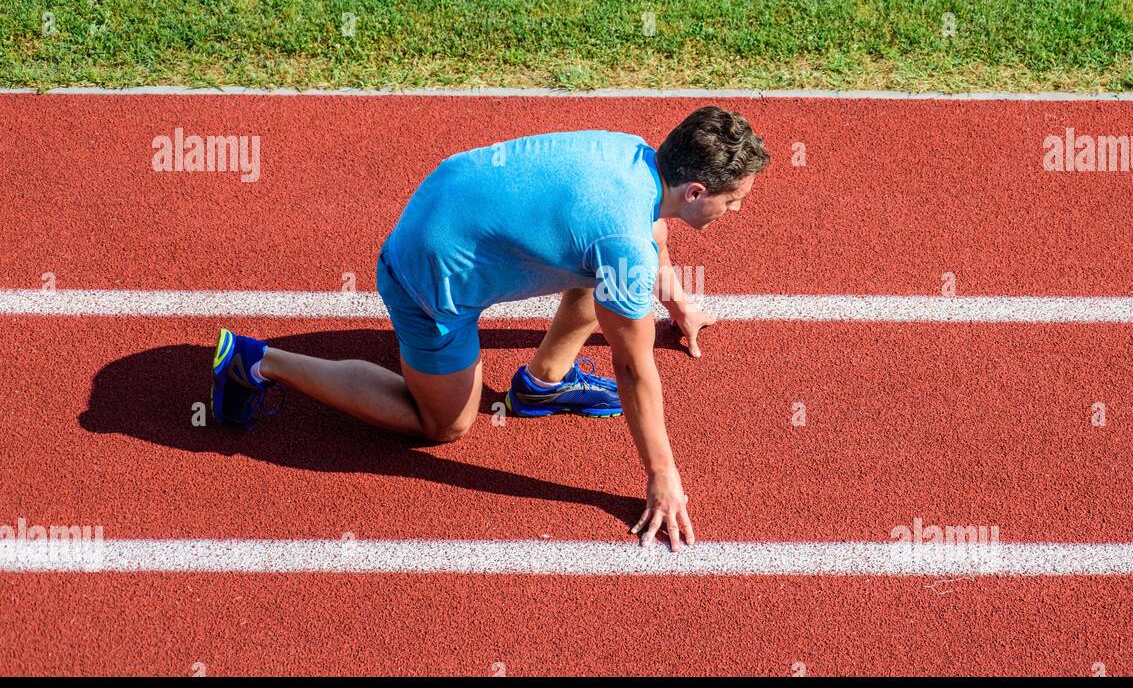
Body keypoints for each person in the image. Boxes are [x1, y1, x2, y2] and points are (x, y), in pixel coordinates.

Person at [210, 105, 770, 551]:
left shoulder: (634, 157)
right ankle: (257, 361)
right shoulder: (623, 241)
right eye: (735, 199)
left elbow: (650, 234)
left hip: (449, 202)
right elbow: (632, 365)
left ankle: (542, 385)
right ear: (695, 190)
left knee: (608, 271)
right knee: (444, 426)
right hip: (427, 272)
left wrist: (679, 305)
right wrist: (662, 475)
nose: (738, 211)